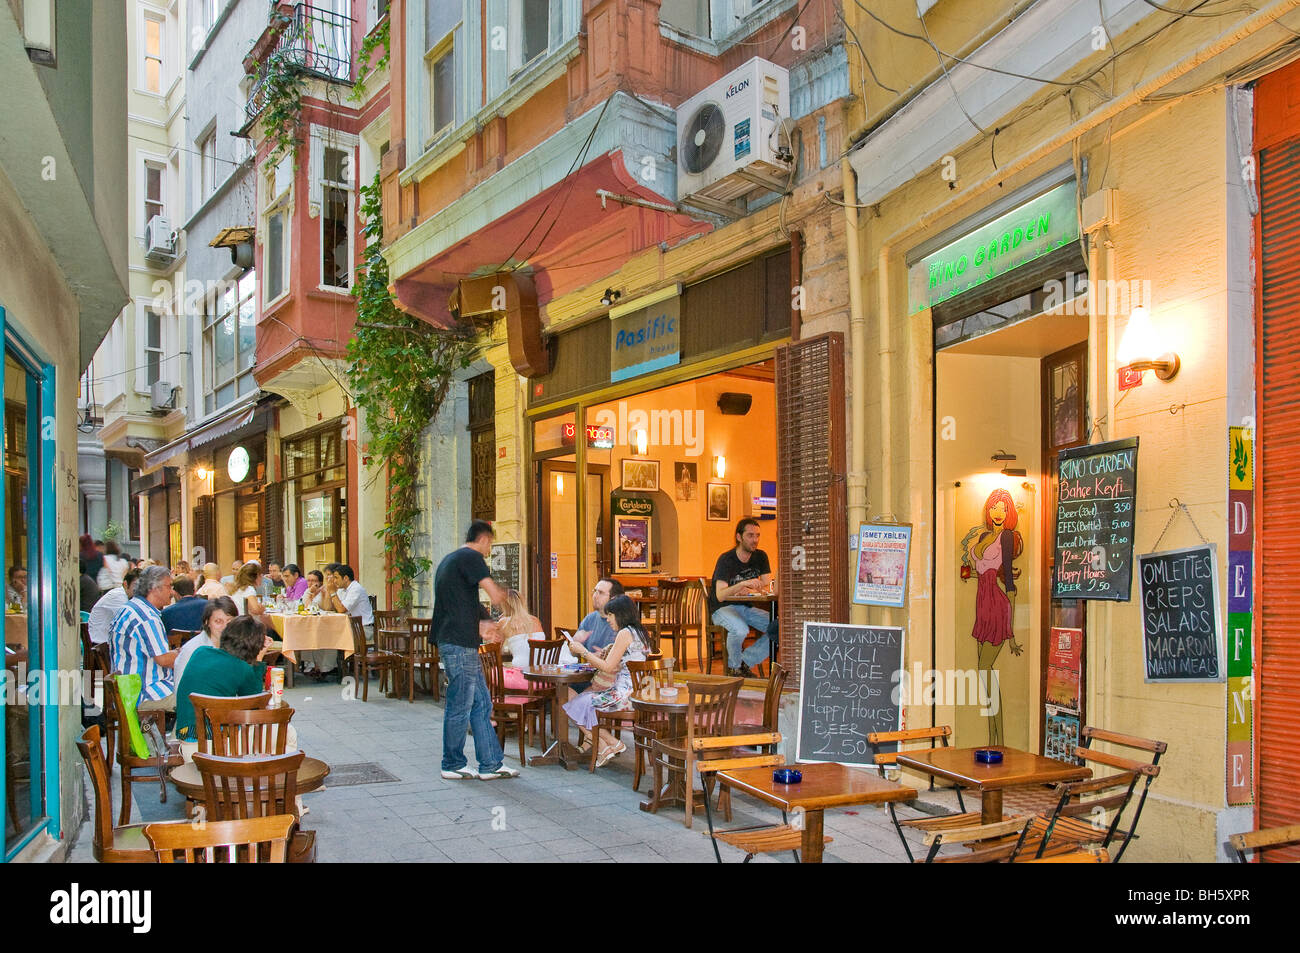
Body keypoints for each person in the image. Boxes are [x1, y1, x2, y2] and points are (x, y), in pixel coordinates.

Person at [432, 520, 518, 780]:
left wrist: (484, 622)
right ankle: (452, 762)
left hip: (458, 641)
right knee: (460, 703)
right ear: (484, 539)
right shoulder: (471, 556)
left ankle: (491, 763)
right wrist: (506, 602)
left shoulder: (451, 560)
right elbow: (493, 594)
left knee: (481, 703)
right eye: (490, 544)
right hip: (458, 643)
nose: (489, 550)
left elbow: (463, 602)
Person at [564, 594, 649, 767]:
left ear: (621, 614)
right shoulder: (640, 632)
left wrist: (583, 651)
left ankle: (609, 742)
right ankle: (605, 745)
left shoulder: (625, 633)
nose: (608, 619)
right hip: (637, 691)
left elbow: (607, 667)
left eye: (610, 615)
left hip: (624, 694)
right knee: (582, 701)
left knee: (576, 703)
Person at [173, 613, 274, 756]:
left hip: (187, 741)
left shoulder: (200, 652)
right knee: (287, 732)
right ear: (253, 646)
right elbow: (256, 704)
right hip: (218, 746)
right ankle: (276, 774)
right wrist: (258, 659)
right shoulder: (242, 668)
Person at [710, 517, 775, 677]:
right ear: (739, 537)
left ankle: (744, 662)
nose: (755, 540)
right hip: (722, 609)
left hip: (747, 608)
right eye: (750, 535)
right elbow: (720, 595)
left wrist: (756, 589)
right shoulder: (726, 559)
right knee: (739, 630)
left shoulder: (760, 556)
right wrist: (740, 586)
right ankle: (734, 668)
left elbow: (768, 586)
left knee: (780, 628)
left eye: (758, 535)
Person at [109, 566, 179, 711]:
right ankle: (179, 735)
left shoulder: (131, 607)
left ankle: (178, 733)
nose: (172, 592)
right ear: (154, 588)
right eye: (168, 586)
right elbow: (164, 659)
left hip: (128, 687)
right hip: (144, 691)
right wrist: (187, 654)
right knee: (197, 698)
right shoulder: (147, 618)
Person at [171, 596, 237, 691]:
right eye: (218, 621)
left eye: (229, 621)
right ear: (207, 622)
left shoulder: (235, 644)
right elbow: (180, 690)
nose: (225, 627)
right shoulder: (192, 650)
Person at [87, 568, 141, 646]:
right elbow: (132, 622)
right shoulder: (117, 596)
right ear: (126, 584)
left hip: (108, 643)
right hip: (100, 646)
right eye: (136, 585)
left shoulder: (128, 596)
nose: (139, 590)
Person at [496, 589, 544, 667]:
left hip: (521, 669)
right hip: (541, 670)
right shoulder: (535, 620)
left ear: (504, 606)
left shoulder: (504, 622)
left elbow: (495, 649)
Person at [323, 564, 372, 633]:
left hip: (363, 628)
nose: (334, 581)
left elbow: (341, 609)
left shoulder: (356, 589)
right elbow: (329, 608)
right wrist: (329, 591)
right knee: (325, 631)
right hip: (350, 626)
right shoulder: (342, 589)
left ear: (345, 578)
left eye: (336, 578)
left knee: (331, 636)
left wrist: (332, 592)